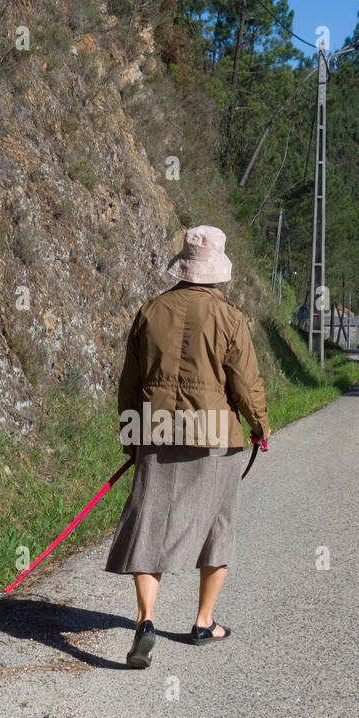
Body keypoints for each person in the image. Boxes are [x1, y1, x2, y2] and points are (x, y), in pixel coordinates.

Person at [105, 225, 270, 668]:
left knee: (149, 523)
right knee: (217, 526)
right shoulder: (230, 316)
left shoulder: (150, 311)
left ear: (184, 265)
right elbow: (245, 382)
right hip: (215, 434)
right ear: (217, 269)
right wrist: (260, 426)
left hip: (156, 429)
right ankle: (203, 621)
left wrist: (130, 438)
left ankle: (145, 620)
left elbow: (128, 386)